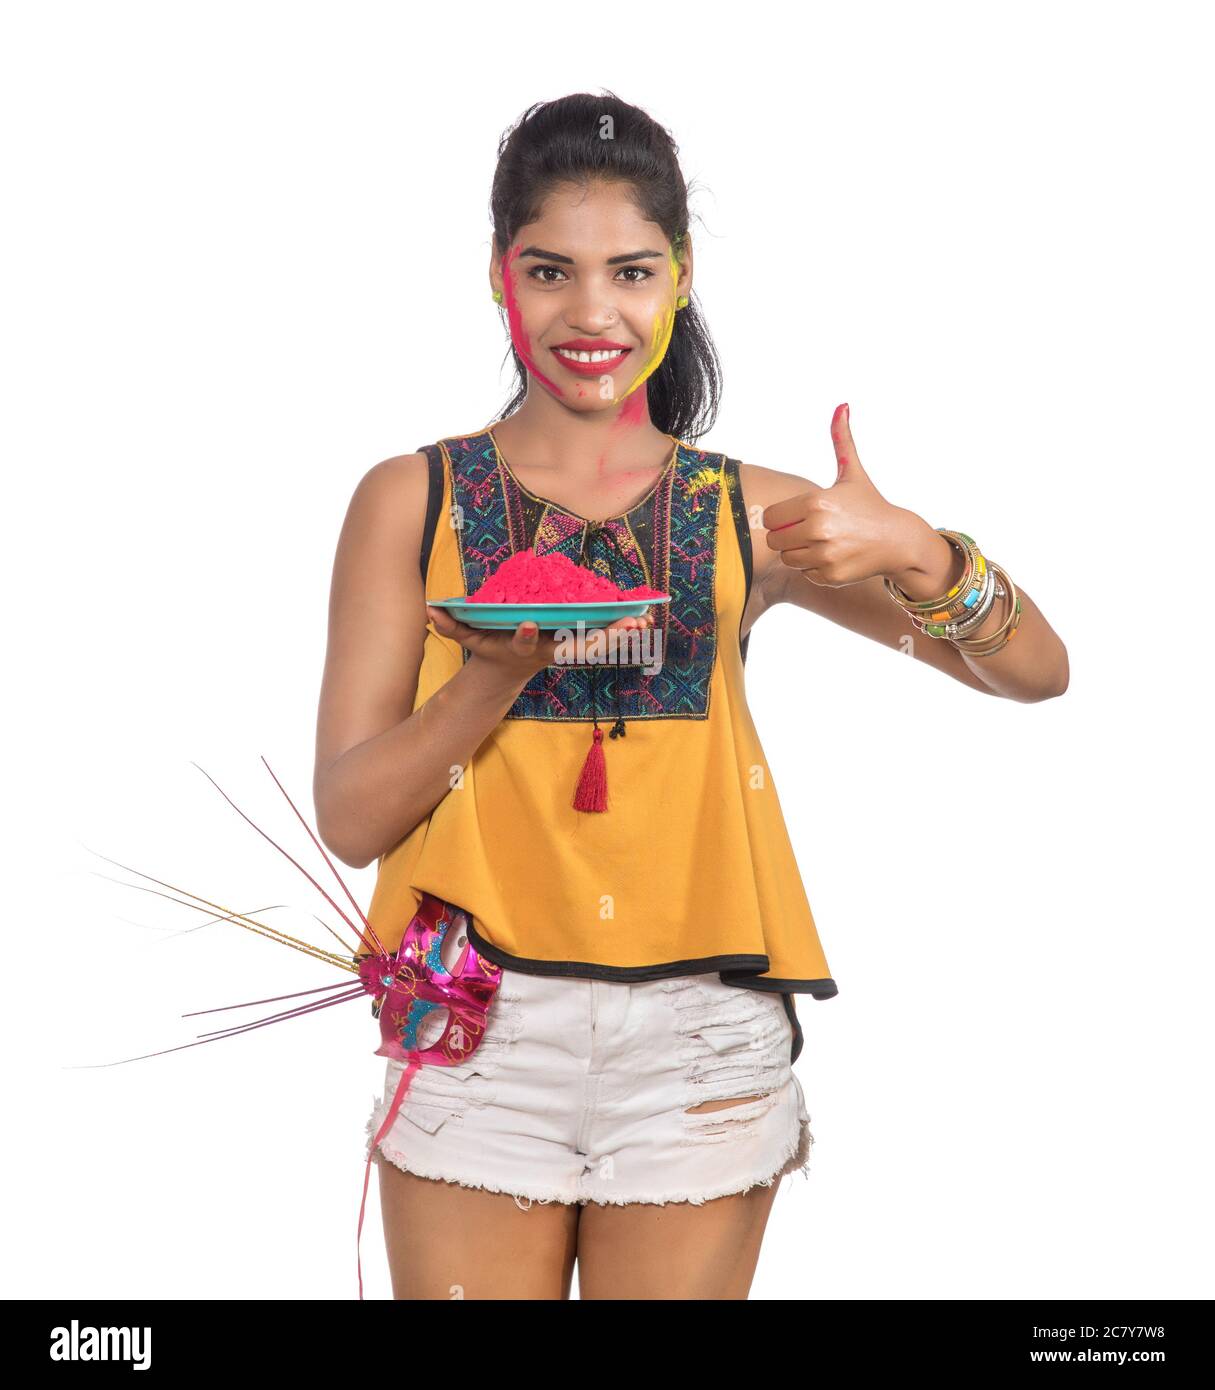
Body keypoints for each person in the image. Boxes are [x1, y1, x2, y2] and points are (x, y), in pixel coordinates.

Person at [312, 92, 1070, 1301]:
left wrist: (925, 554)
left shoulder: (747, 513)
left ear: (681, 278)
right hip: (476, 1028)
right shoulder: (412, 500)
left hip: (701, 1046)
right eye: (551, 270)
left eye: (632, 271)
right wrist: (490, 682)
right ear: (499, 275)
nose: (592, 313)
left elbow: (1035, 671)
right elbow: (350, 819)